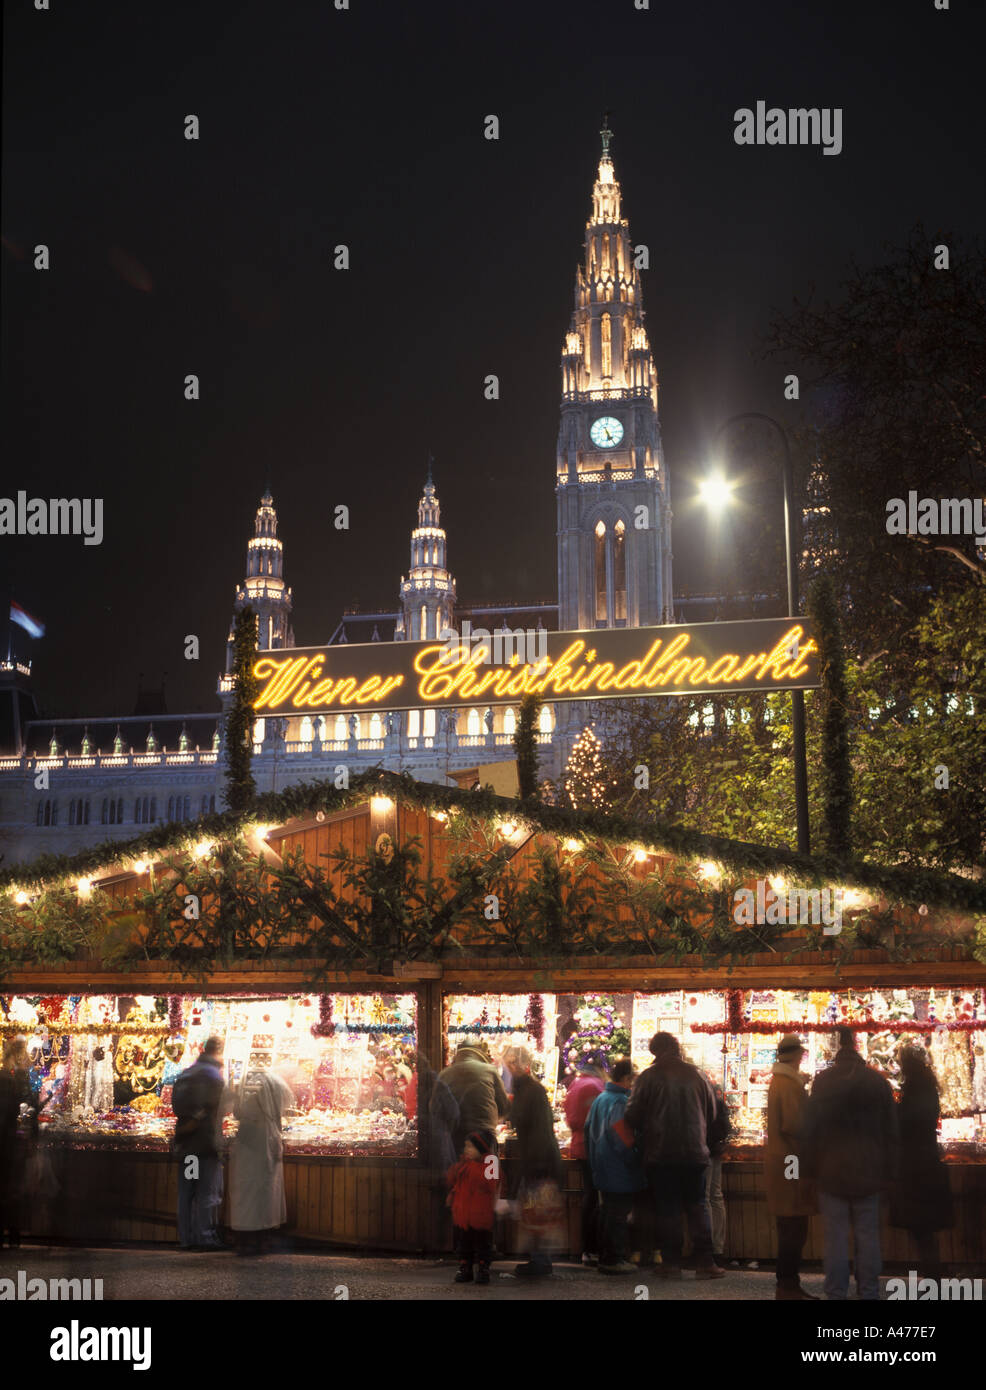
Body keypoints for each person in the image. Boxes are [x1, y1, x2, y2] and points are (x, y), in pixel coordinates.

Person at [802, 1028, 898, 1300]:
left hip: (831, 1173)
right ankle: (868, 1293)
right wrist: (891, 1174)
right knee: (868, 1238)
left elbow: (808, 1131)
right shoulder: (877, 1083)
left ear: (837, 1052)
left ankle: (836, 1293)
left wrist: (802, 1173)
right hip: (870, 1172)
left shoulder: (823, 1082)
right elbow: (892, 1132)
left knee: (835, 1240)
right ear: (858, 1052)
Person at [624, 1032, 724, 1279]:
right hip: (695, 1153)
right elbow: (712, 1114)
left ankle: (671, 1264)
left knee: (668, 1209)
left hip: (661, 1154)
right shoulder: (698, 1075)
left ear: (654, 1051)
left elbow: (632, 1115)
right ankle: (705, 1263)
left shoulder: (648, 1077)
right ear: (676, 1048)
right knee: (697, 1206)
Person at [889, 1044, 953, 1278]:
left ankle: (932, 1275)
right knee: (925, 1229)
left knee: (921, 1228)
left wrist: (894, 1109)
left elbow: (907, 1123)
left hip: (916, 1166)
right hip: (926, 1161)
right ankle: (932, 1273)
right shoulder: (926, 1087)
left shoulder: (915, 1090)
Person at [765, 1034, 818, 1300]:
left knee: (790, 1221)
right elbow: (794, 1126)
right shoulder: (788, 1084)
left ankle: (787, 1284)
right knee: (793, 1219)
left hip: (784, 1159)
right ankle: (787, 1285)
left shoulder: (783, 1082)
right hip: (790, 1160)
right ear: (797, 1056)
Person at [505, 1047, 565, 1278]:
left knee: (537, 1210)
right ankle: (539, 1260)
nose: (509, 1067)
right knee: (535, 1211)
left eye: (512, 1063)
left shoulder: (530, 1091)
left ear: (521, 1065)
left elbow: (535, 1129)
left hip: (539, 1161)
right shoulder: (529, 1089)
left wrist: (536, 1164)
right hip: (540, 1159)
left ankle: (540, 1262)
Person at [226, 1064, 295, 1255]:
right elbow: (284, 1107)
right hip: (270, 1139)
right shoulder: (275, 1082)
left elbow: (239, 1111)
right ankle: (264, 1237)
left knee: (247, 1192)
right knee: (266, 1190)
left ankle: (246, 1238)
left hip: (250, 1142)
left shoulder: (249, 1082)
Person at [584, 1059, 646, 1274]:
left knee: (607, 1212)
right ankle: (614, 1259)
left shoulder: (601, 1099)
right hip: (618, 1169)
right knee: (617, 1215)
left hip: (602, 1166)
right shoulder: (619, 1102)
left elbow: (587, 1130)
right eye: (633, 1079)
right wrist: (635, 1158)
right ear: (627, 1079)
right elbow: (622, 1139)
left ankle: (605, 1256)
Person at [171, 1037, 226, 1251]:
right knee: (206, 1192)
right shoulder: (212, 1077)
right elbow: (208, 1110)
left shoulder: (186, 1074)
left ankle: (186, 1237)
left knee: (187, 1192)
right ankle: (204, 1237)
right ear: (218, 1051)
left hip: (187, 1146)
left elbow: (177, 1108)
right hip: (203, 1146)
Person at [563, 1060, 607, 1265]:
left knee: (587, 1196)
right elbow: (600, 1119)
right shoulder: (595, 1086)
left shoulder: (575, 1085)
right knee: (594, 1198)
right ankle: (591, 1248)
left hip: (578, 1145)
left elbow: (570, 1119)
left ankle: (583, 1248)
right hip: (593, 1146)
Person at [446, 1129, 499, 1284]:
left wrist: (470, 1167)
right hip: (464, 1214)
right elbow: (454, 1181)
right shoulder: (464, 1164)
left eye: (470, 1147)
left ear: (481, 1149)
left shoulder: (490, 1163)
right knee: (464, 1244)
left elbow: (490, 1184)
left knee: (483, 1245)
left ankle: (483, 1270)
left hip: (481, 1214)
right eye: (466, 1146)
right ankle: (465, 1268)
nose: (466, 1150)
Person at [438, 1044, 510, 1156]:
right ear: (480, 1055)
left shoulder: (445, 1074)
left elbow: (434, 1110)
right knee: (489, 1171)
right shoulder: (489, 1071)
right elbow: (504, 1106)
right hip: (485, 1137)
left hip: (456, 1138)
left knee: (460, 1171)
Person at [0, 1038, 33, 1248]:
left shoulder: (6, 1078)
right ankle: (13, 1234)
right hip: (8, 1143)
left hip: (7, 1142)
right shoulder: (12, 1079)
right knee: (11, 1189)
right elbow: (20, 1103)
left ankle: (10, 1235)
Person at [706, 1075, 731, 1264]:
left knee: (705, 1197)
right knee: (716, 1196)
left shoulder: (701, 1103)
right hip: (716, 1152)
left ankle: (708, 1248)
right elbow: (726, 1129)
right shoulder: (719, 1103)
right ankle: (718, 1248)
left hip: (703, 1152)